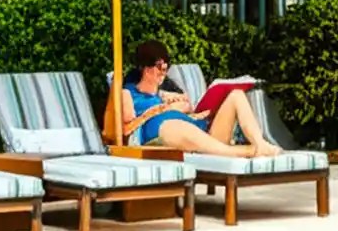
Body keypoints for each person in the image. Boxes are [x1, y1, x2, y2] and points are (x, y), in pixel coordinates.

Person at [120, 40, 282, 158]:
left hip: (200, 132)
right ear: (146, 69)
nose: (164, 71)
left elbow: (187, 106)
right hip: (162, 132)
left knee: (236, 95)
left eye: (166, 66)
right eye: (159, 67)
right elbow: (127, 127)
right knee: (173, 125)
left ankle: (258, 143)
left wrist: (180, 106)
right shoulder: (128, 93)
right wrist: (159, 111)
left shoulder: (164, 93)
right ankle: (247, 151)